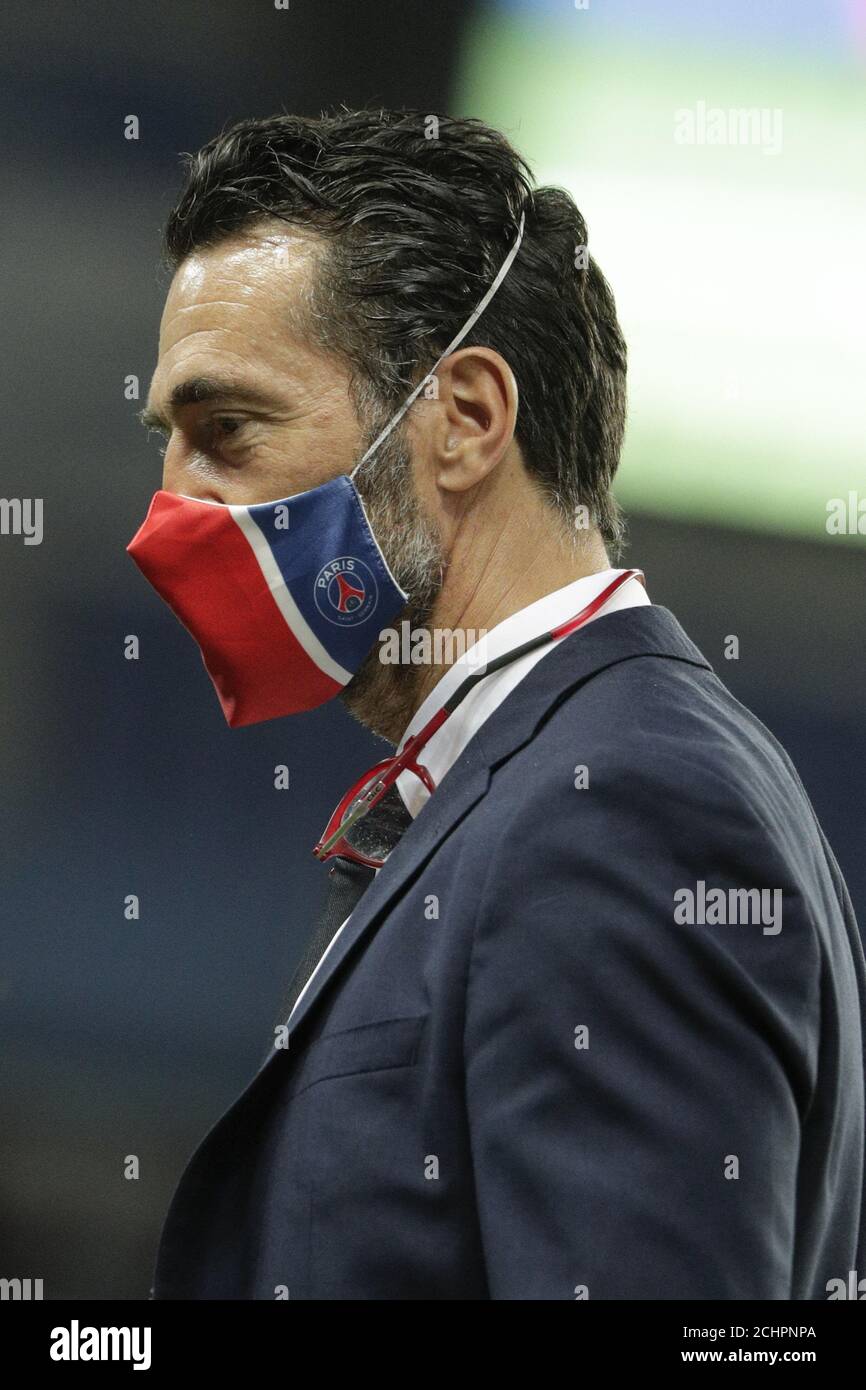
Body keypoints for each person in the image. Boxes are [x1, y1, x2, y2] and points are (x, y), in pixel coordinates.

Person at [128, 109, 865, 1300]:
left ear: (465, 417)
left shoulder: (620, 807)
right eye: (167, 440)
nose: (171, 512)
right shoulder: (529, 789)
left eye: (227, 429)